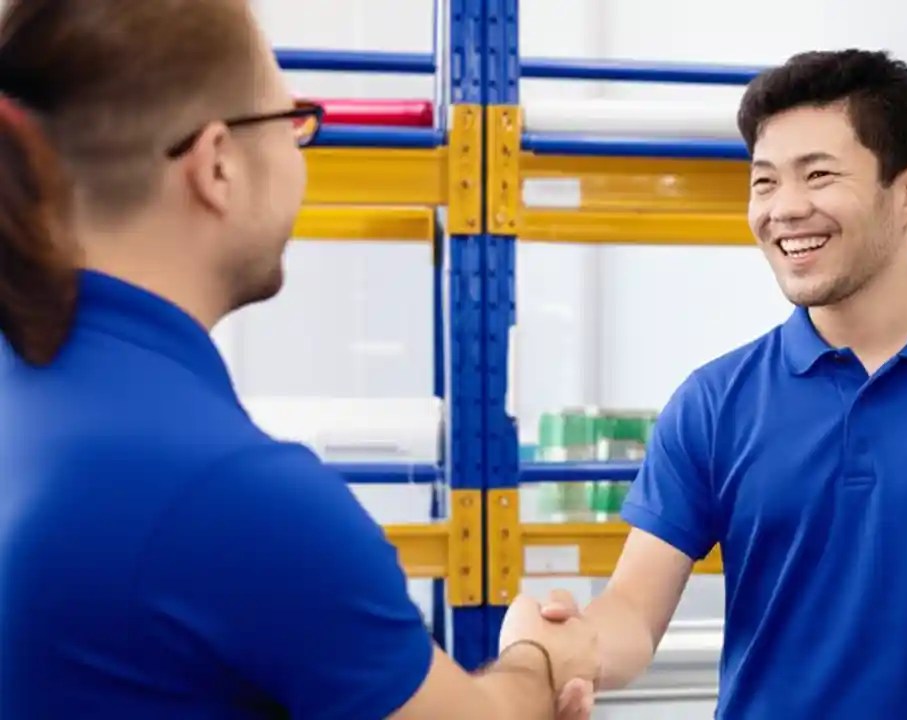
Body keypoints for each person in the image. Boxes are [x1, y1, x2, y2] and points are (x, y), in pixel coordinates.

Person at [0, 1, 598, 718]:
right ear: (216, 164)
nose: (298, 151)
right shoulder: (231, 496)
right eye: (290, 122)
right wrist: (537, 659)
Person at [518, 49, 907, 718]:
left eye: (818, 175)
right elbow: (634, 611)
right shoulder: (712, 403)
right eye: (764, 183)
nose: (785, 209)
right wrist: (575, 648)